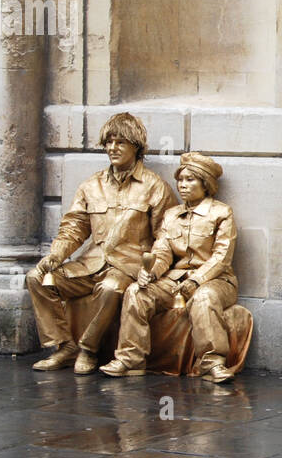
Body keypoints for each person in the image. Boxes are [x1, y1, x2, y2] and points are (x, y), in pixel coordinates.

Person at [26, 113, 177, 374]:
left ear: (136, 146)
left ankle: (88, 349)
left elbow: (166, 237)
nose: (112, 148)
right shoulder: (91, 185)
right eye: (108, 142)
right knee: (37, 278)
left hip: (127, 268)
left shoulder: (155, 187)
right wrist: (55, 255)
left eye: (120, 142)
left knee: (110, 288)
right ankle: (64, 346)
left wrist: (152, 269)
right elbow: (73, 228)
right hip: (89, 264)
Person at [101, 152, 240, 382]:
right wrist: (149, 272)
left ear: (206, 184)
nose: (183, 185)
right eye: (181, 180)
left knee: (204, 297)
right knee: (137, 291)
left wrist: (197, 280)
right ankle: (130, 359)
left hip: (216, 281)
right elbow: (162, 251)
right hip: (175, 280)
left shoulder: (221, 213)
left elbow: (221, 257)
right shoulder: (171, 215)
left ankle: (212, 363)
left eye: (190, 180)